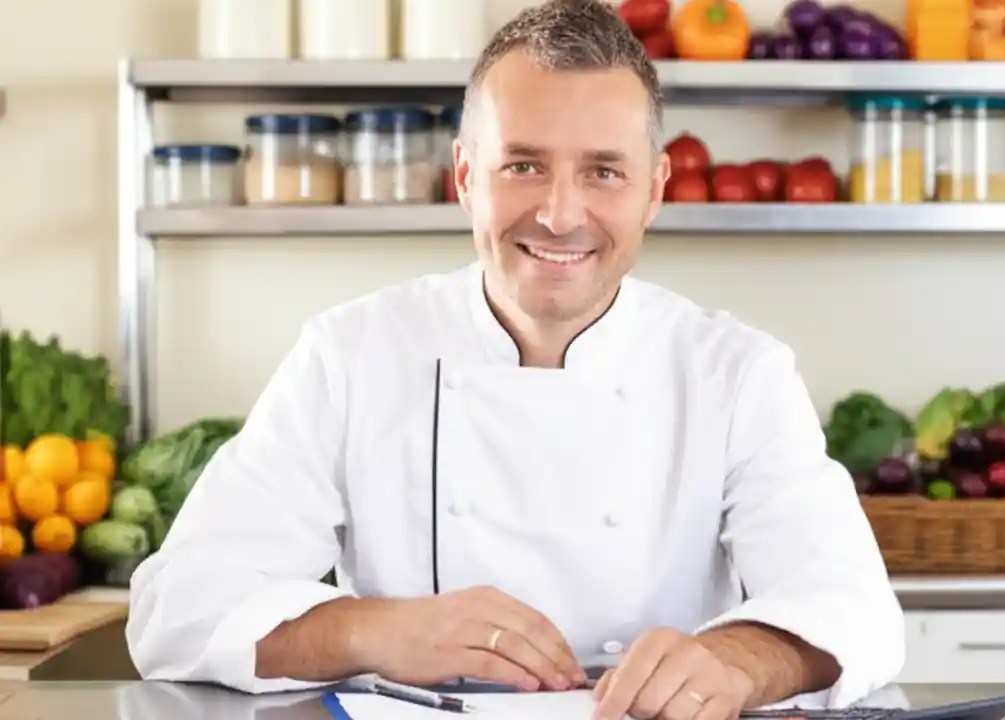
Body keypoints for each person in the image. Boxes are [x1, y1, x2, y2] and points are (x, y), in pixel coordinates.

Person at [125, 1, 905, 718]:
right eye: (523, 165)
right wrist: (373, 631)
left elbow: (851, 606)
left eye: (603, 171)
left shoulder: (739, 374)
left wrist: (732, 662)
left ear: (654, 190)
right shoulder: (352, 354)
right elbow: (177, 608)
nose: (560, 214)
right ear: (465, 177)